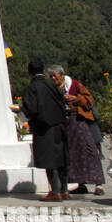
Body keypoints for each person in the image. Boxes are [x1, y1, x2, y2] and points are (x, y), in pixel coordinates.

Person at [50, 66, 104, 196]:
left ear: (62, 76)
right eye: (51, 76)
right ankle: (80, 184)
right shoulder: (53, 89)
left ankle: (98, 184)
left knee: (89, 150)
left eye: (55, 76)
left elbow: (89, 100)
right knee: (72, 154)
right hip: (66, 123)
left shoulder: (74, 85)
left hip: (79, 121)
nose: (53, 78)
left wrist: (76, 99)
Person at [21, 59, 68, 202]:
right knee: (61, 158)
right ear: (43, 71)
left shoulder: (32, 88)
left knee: (49, 160)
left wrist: (21, 110)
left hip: (44, 128)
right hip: (59, 125)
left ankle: (54, 192)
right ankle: (64, 190)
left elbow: (32, 109)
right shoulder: (52, 85)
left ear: (29, 73)